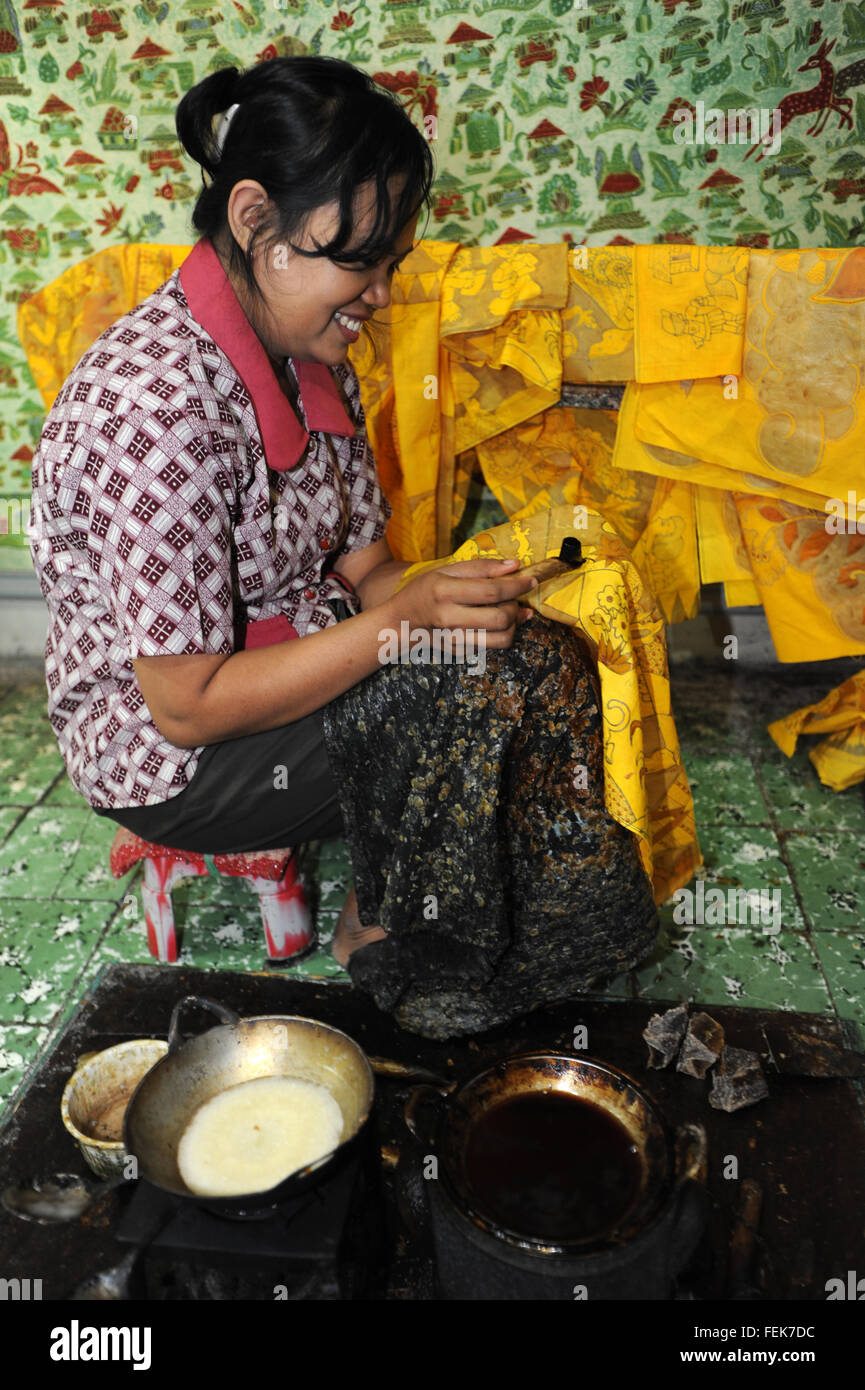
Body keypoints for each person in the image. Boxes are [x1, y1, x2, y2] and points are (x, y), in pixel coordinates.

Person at [30, 57, 658, 1038]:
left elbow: (365, 570)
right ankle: (382, 935)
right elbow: (187, 706)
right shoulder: (157, 408)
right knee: (467, 699)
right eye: (359, 258)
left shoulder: (311, 356)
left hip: (287, 655)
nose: (380, 291)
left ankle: (424, 903)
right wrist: (405, 629)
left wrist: (451, 592)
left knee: (530, 654)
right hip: (166, 751)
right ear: (254, 222)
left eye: (392, 259)